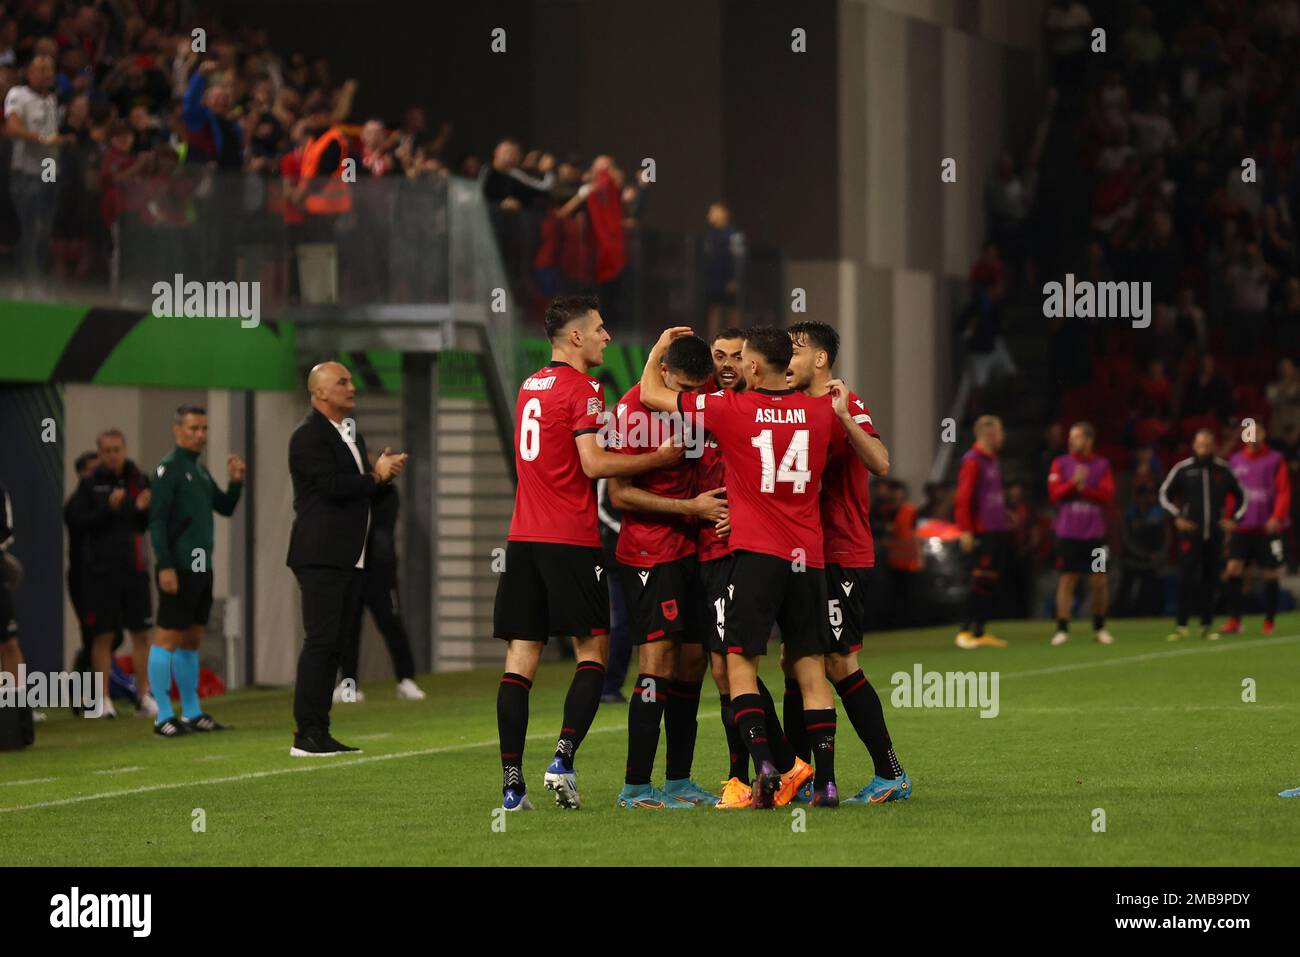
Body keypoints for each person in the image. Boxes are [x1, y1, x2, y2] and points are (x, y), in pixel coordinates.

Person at [638, 325, 857, 808]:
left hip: (756, 558)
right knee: (810, 671)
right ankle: (826, 782)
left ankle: (763, 767)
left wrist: (659, 349)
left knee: (738, 665)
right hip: (810, 560)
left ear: (755, 366)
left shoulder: (731, 409)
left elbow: (653, 394)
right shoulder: (823, 411)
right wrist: (837, 399)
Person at [492, 296, 681, 812]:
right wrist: (656, 457)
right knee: (592, 654)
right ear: (575, 337)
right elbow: (594, 464)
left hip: (522, 540)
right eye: (600, 328)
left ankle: (513, 786)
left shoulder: (530, 386)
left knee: (519, 659)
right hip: (570, 542)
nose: (607, 336)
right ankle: (562, 759)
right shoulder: (585, 389)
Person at [782, 320, 911, 806]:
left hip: (841, 552)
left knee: (838, 661)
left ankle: (891, 772)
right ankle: (801, 773)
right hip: (802, 554)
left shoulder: (844, 402)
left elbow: (881, 462)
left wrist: (844, 416)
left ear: (819, 359)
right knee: (794, 662)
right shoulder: (789, 405)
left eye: (795, 350)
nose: (787, 359)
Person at [607, 334, 726, 809]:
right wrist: (688, 506)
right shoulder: (632, 410)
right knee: (655, 665)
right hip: (649, 554)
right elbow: (618, 494)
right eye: (683, 386)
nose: (690, 398)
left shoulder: (695, 401)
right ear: (663, 372)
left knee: (693, 661)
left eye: (699, 388)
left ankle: (678, 781)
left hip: (692, 551)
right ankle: (635, 786)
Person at [287, 362, 407, 755]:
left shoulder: (348, 433)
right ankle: (306, 733)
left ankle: (318, 730)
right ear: (319, 392)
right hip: (321, 554)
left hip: (350, 556)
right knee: (321, 642)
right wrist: (376, 477)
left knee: (333, 644)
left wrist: (377, 476)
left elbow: (358, 492)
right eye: (342, 382)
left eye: (352, 380)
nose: (352, 386)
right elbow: (333, 487)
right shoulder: (307, 436)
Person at [148, 406, 245, 737]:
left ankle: (191, 711)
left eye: (204, 429)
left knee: (192, 640)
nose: (200, 435)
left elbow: (225, 507)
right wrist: (165, 565)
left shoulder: (198, 470)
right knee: (168, 637)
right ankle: (162, 716)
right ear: (177, 430)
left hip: (202, 566)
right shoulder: (168, 469)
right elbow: (157, 521)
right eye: (193, 429)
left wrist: (236, 483)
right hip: (179, 565)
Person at [64, 429, 155, 719]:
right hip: (100, 573)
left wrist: (141, 510)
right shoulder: (90, 485)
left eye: (117, 449)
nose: (113, 455)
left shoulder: (138, 479)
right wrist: (107, 508)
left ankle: (144, 696)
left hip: (135, 570)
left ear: (125, 449)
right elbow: (76, 521)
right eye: (107, 450)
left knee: (141, 633)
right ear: (100, 453)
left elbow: (143, 525)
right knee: (102, 636)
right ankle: (102, 699)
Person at [336, 475, 426, 702]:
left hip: (380, 571)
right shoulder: (352, 491)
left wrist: (371, 483)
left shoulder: (387, 492)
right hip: (354, 569)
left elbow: (377, 522)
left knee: (392, 624)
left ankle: (406, 679)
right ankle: (349, 684)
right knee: (349, 628)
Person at [1158, 429, 1247, 641]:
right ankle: (1181, 625)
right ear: (1194, 446)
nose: (1203, 449)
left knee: (1210, 579)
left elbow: (1242, 497)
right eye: (1200, 445)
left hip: (1214, 534)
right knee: (1186, 578)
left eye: (1207, 445)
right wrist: (1177, 516)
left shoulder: (1222, 470)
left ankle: (1206, 625)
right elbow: (1164, 495)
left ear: (1214, 446)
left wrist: (1233, 519)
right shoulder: (1184, 469)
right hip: (1191, 533)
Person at [1047, 422, 1116, 645]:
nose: (1071, 441)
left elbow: (1107, 495)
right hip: (1068, 533)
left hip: (1094, 535)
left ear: (1088, 440)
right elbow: (1054, 494)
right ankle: (1062, 629)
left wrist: (1084, 488)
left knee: (1099, 581)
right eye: (1071, 436)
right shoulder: (1061, 463)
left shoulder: (1102, 465)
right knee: (1067, 579)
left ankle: (1099, 627)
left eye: (1076, 437)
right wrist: (1072, 484)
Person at [5, 53, 70, 283]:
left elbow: (51, 140)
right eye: (41, 69)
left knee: (45, 227)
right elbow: (13, 128)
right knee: (28, 227)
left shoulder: (51, 99)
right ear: (29, 73)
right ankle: (23, 278)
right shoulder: (18, 95)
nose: (47, 74)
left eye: (50, 69)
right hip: (26, 173)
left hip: (48, 170)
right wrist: (43, 139)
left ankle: (38, 276)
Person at [1222, 424, 1290, 636]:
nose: (1253, 437)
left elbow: (1283, 490)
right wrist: (1228, 518)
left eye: (1257, 433)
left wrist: (1277, 517)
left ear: (1263, 435)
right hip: (1242, 527)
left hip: (1267, 528)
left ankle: (1269, 620)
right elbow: (1231, 493)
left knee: (1270, 574)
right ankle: (1235, 620)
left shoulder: (1275, 459)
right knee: (1233, 569)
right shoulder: (1236, 461)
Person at [954, 416, 1010, 648]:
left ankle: (979, 631)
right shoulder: (973, 460)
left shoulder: (992, 460)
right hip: (981, 530)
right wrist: (966, 530)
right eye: (999, 432)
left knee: (989, 579)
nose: (1002, 437)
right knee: (979, 578)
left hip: (996, 528)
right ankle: (964, 631)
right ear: (989, 434)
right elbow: (964, 497)